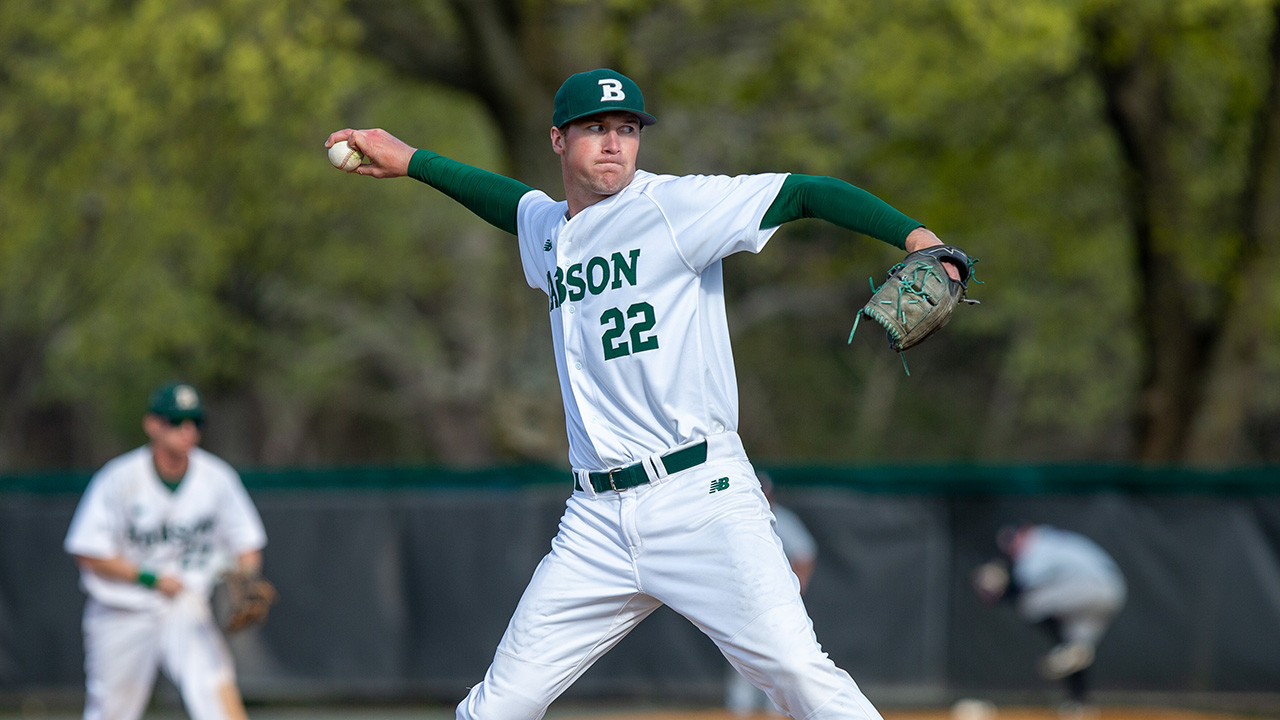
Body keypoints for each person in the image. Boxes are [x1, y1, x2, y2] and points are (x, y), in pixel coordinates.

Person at [327, 67, 967, 720]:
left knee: (798, 674)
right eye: (596, 128)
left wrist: (920, 240)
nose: (614, 142)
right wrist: (411, 161)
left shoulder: (673, 208)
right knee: (497, 707)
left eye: (628, 129)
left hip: (701, 498)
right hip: (596, 522)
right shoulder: (549, 231)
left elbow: (803, 191)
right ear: (557, 140)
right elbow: (506, 203)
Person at [63, 381, 268, 720]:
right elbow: (87, 550)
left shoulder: (217, 478)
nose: (186, 431)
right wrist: (149, 577)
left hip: (184, 604)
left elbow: (246, 541)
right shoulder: (119, 478)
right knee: (111, 711)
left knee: (215, 690)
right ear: (152, 425)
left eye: (194, 422)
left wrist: (247, 577)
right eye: (176, 421)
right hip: (121, 609)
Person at [972, 523, 1127, 711]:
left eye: (1013, 540)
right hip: (1114, 592)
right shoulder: (1056, 540)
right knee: (1077, 651)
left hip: (1090, 587)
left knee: (1030, 604)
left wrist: (999, 593)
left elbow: (1024, 584)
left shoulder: (1037, 544)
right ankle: (1079, 705)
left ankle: (1062, 647)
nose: (1013, 548)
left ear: (1025, 533)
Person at [725, 472, 818, 717]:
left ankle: (776, 714)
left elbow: (805, 553)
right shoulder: (734, 517)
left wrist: (794, 587)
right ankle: (740, 713)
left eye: (766, 493)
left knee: (780, 662)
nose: (763, 497)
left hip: (774, 601)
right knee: (742, 662)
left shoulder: (780, 519)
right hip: (744, 601)